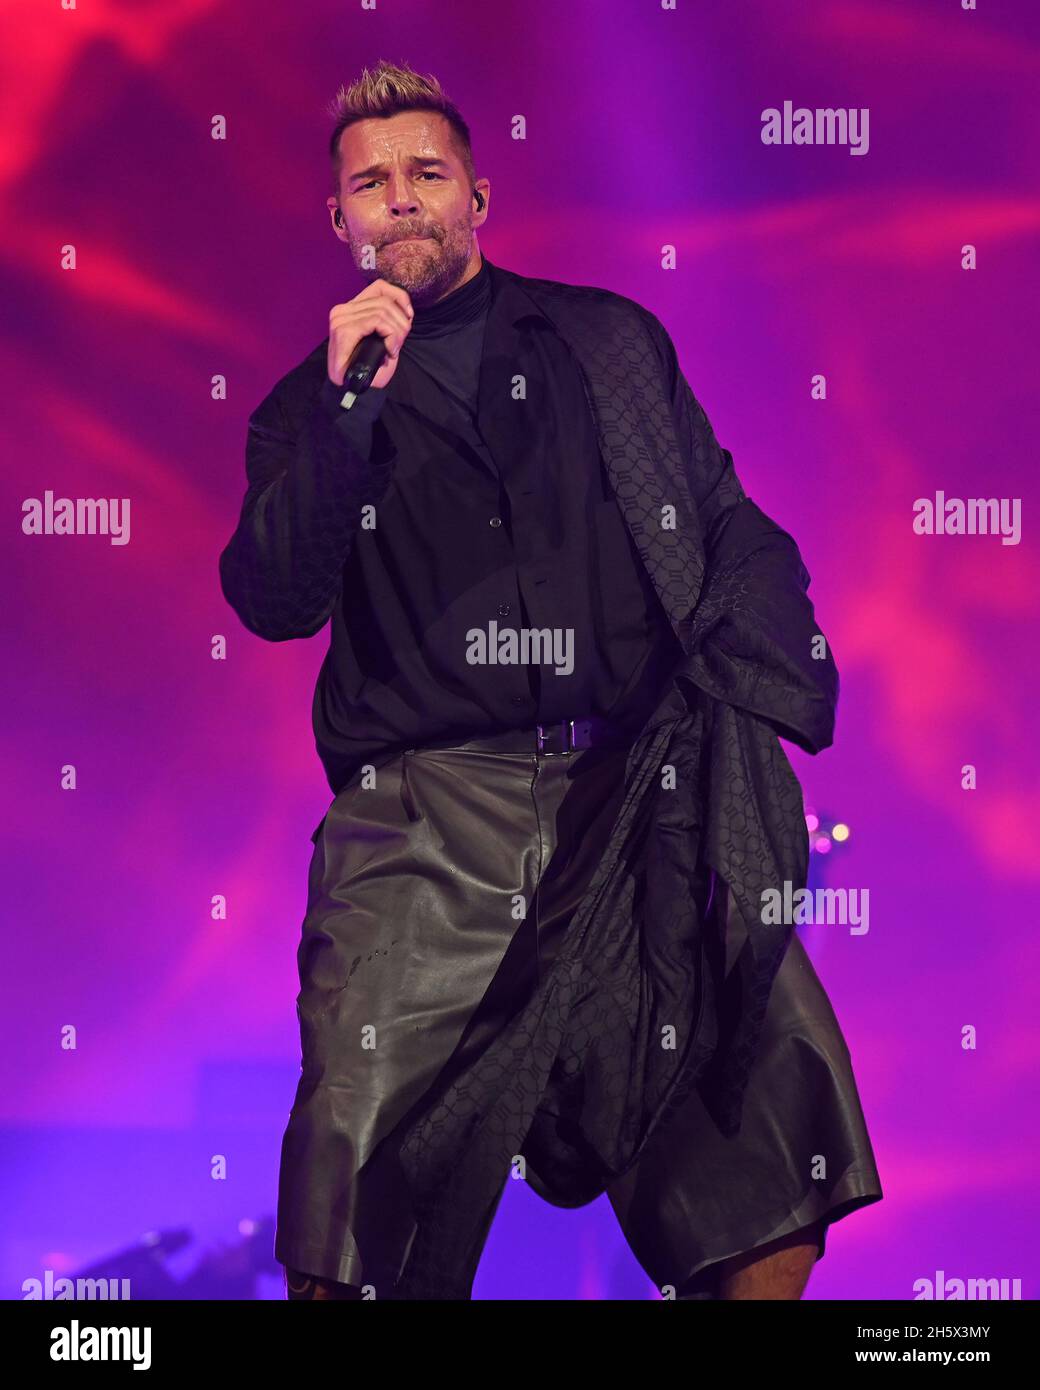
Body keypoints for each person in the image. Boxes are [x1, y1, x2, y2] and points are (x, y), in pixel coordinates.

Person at [219, 60, 883, 1301]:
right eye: (372, 184)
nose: (402, 200)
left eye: (427, 174)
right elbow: (271, 595)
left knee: (765, 1165)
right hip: (421, 827)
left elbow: (727, 523)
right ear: (340, 223)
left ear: (478, 193)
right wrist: (343, 417)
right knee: (349, 1205)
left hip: (636, 804)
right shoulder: (304, 412)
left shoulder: (605, 345)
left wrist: (758, 688)